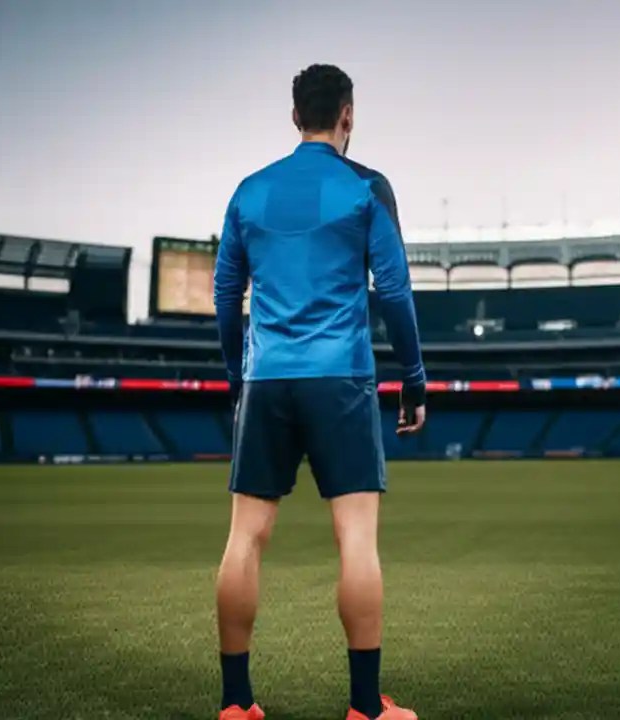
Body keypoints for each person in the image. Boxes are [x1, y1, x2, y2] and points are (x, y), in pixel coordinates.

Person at [212, 63, 426, 720]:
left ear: (295, 116)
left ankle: (236, 704)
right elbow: (392, 291)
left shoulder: (249, 191)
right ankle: (366, 707)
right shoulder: (366, 187)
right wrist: (413, 379)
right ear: (348, 114)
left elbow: (226, 294)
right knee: (356, 539)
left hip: (268, 377)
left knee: (245, 538)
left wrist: (235, 378)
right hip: (341, 378)